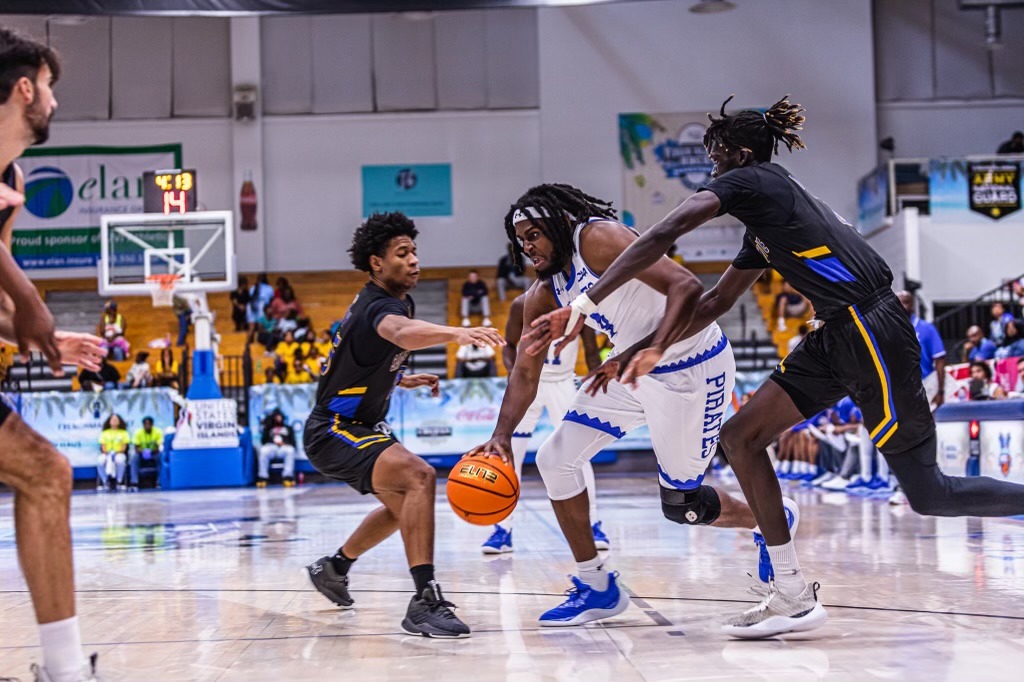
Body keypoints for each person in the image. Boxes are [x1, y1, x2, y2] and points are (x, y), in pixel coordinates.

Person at [530, 94, 1024, 638]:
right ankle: (791, 593)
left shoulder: (757, 180)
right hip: (837, 333)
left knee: (930, 494)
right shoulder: (766, 223)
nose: (710, 170)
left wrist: (582, 304)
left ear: (739, 154)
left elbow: (659, 236)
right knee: (741, 437)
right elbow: (714, 304)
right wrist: (635, 351)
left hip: (873, 330)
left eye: (715, 158)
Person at [469, 184, 796, 628]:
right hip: (627, 372)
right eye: (521, 239)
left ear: (562, 224)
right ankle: (597, 586)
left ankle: (770, 518)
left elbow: (686, 287)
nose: (528, 247)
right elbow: (526, 372)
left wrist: (642, 352)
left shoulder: (598, 238)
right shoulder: (544, 294)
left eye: (535, 235)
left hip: (690, 367)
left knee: (683, 504)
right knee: (555, 459)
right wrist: (501, 435)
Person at [303, 211, 504, 638]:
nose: (414, 260)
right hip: (333, 429)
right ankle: (424, 602)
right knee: (419, 477)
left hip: (358, 423)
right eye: (402, 252)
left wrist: (401, 377)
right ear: (376, 262)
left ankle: (334, 567)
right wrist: (457, 333)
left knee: (405, 509)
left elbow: (367, 356)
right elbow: (399, 332)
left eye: (414, 251)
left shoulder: (395, 302)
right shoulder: (379, 307)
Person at [0, 28, 104, 680]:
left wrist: (34, 332)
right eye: (51, 88)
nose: (55, 104)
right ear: (24, 87)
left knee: (46, 473)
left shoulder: (9, 178)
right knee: (47, 471)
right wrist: (28, 296)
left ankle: (64, 669)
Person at [480, 292, 608, 555]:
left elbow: (591, 349)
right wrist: (512, 374)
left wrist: (598, 382)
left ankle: (594, 524)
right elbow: (509, 345)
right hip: (529, 382)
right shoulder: (521, 304)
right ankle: (502, 529)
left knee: (579, 456)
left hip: (563, 382)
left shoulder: (579, 305)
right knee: (508, 454)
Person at [258, 409, 296, 487]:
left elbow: (293, 443)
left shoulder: (288, 428)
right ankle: (263, 477)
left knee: (290, 450)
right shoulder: (269, 428)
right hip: (271, 447)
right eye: (276, 417)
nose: (278, 418)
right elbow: (263, 441)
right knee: (263, 450)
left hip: (283, 447)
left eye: (280, 416)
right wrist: (267, 428)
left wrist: (284, 443)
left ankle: (287, 477)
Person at [97, 413, 130, 492]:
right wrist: (109, 454)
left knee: (120, 460)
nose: (114, 421)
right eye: (112, 419)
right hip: (106, 454)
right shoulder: (104, 433)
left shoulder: (124, 433)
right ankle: (105, 482)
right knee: (100, 461)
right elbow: (103, 447)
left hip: (119, 453)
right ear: (109, 421)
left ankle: (119, 481)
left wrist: (115, 453)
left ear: (119, 422)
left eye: (116, 419)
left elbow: (124, 448)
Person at [131, 416, 163, 491]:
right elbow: (136, 447)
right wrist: (143, 452)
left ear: (152, 425)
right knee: (134, 458)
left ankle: (159, 481)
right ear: (143, 425)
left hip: (154, 453)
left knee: (160, 457)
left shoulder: (158, 432)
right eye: (145, 424)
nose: (147, 426)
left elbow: (159, 447)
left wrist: (150, 452)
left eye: (149, 424)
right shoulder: (138, 432)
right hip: (141, 453)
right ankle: (134, 481)